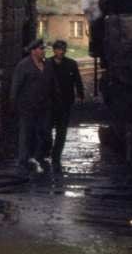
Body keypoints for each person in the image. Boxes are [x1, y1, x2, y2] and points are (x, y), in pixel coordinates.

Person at [10, 39, 53, 175]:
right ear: (33, 51)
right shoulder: (23, 66)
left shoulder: (46, 65)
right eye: (41, 49)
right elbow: (15, 86)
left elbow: (52, 83)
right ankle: (23, 161)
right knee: (25, 134)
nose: (43, 51)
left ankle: (37, 158)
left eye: (43, 49)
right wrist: (13, 104)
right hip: (27, 106)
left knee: (43, 132)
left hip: (43, 106)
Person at [47, 39, 85, 171]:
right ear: (54, 50)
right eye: (58, 49)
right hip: (50, 102)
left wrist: (80, 95)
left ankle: (56, 155)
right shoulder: (47, 64)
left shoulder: (71, 64)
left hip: (65, 102)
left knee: (62, 130)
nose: (60, 52)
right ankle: (47, 150)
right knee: (46, 129)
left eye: (62, 49)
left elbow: (77, 80)